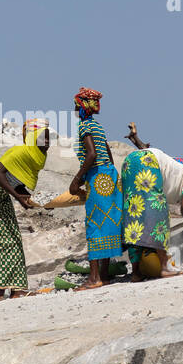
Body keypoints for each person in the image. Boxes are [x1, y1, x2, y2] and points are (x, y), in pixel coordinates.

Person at [0, 119, 49, 302]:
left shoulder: (34, 157)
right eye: (43, 138)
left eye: (49, 139)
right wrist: (16, 195)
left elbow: (18, 184)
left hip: (2, 196)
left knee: (14, 238)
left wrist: (32, 201)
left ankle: (17, 290)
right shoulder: (21, 151)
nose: (47, 142)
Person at [70, 88, 123, 288]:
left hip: (97, 176)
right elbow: (107, 154)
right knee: (108, 222)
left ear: (83, 106)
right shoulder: (98, 126)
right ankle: (104, 274)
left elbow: (91, 154)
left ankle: (94, 278)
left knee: (94, 224)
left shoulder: (84, 126)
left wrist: (77, 179)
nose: (75, 108)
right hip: (109, 176)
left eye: (77, 104)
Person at [120, 147, 182, 279]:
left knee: (133, 214)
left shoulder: (167, 161)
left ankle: (136, 273)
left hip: (128, 163)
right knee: (157, 210)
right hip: (146, 162)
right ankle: (165, 268)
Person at [126, 123, 183, 235]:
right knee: (159, 219)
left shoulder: (169, 164)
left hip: (130, 160)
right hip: (148, 165)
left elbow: (146, 155)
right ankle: (152, 245)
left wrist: (135, 137)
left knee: (134, 210)